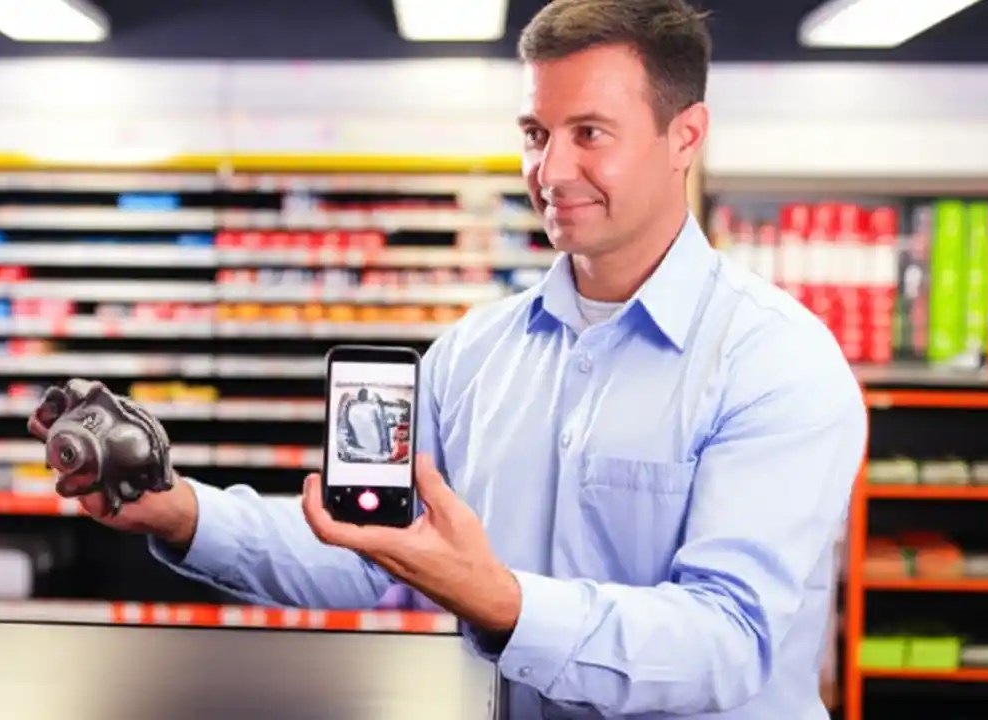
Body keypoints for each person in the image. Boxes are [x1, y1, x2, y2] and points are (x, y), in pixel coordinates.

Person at [63, 0, 867, 717]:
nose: (550, 172)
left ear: (683, 135)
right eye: (535, 135)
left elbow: (726, 641)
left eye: (589, 134)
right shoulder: (475, 355)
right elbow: (368, 549)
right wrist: (181, 512)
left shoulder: (777, 365)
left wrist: (503, 602)